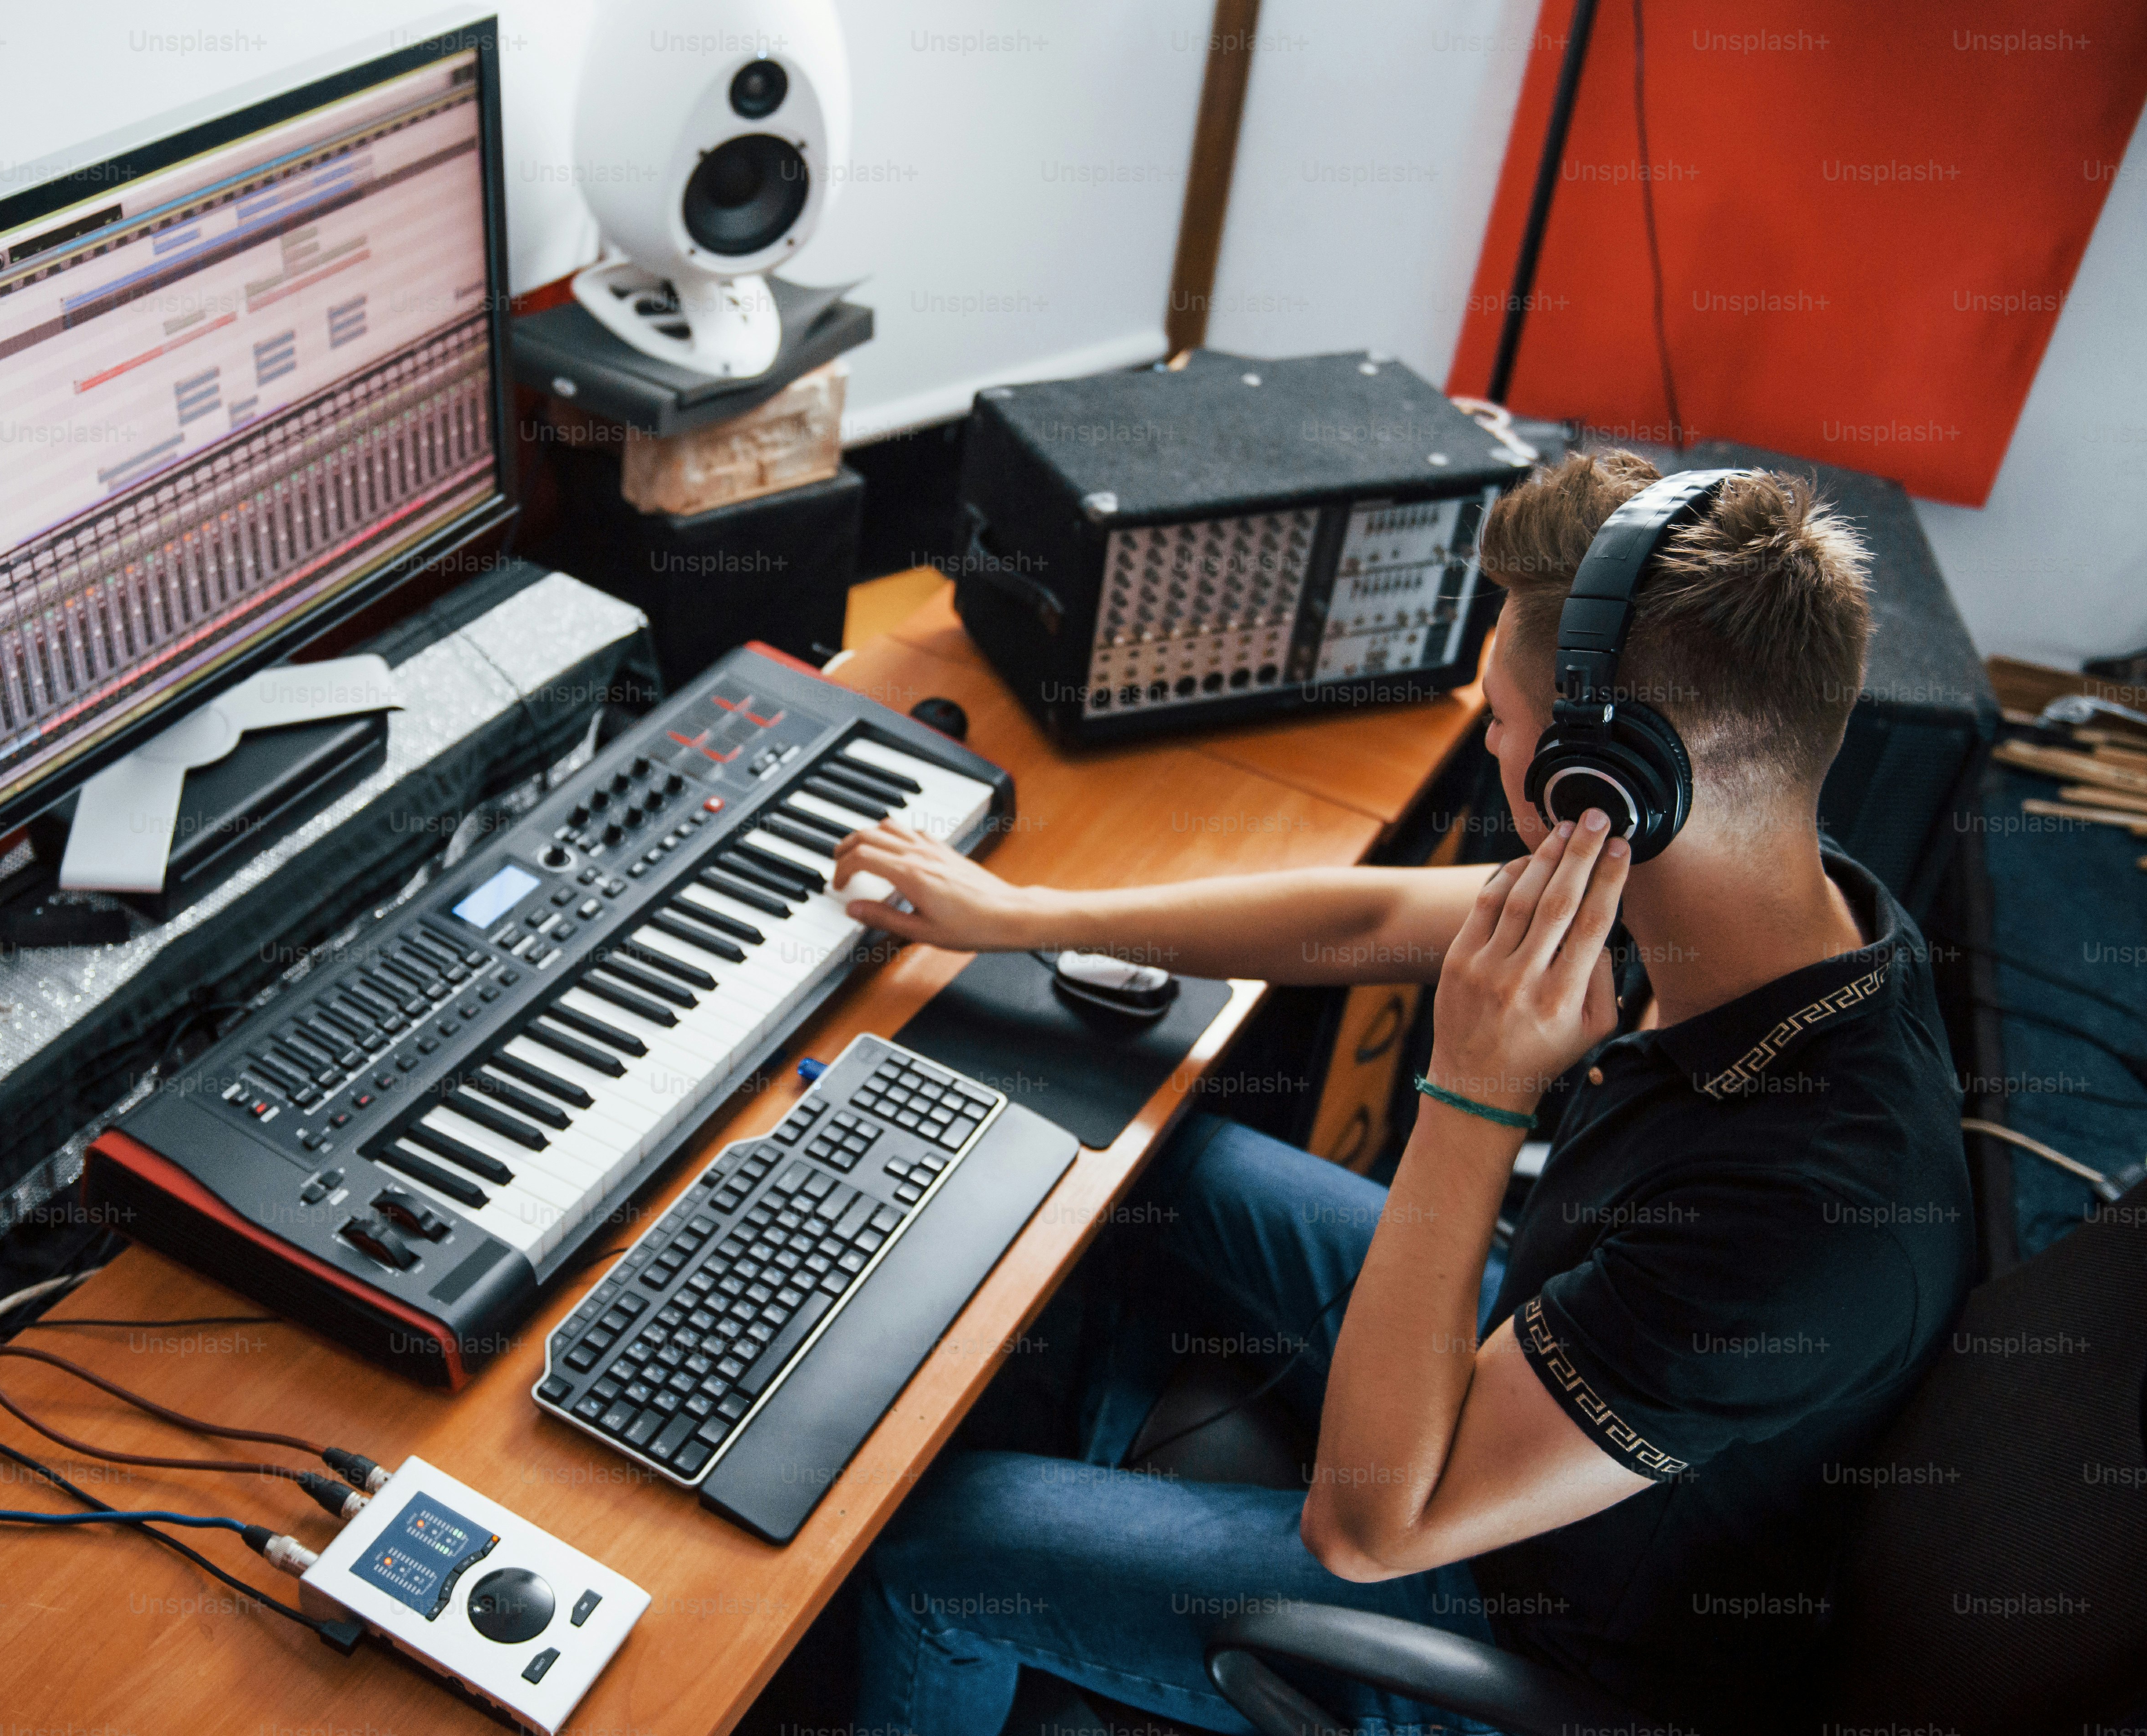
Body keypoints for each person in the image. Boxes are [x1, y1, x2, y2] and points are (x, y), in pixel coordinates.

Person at [835, 451, 1974, 1736]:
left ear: (1605, 778)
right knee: (1158, 1166)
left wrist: (1478, 1091)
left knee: (937, 1545)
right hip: (1549, 1330)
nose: (1487, 739)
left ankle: (1028, 1591)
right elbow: (1373, 919)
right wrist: (1027, 916)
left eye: (1499, 715)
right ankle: (1098, 1552)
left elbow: (1372, 1531)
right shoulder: (1747, 880)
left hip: (1523, 1614)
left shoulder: (1809, 1215)